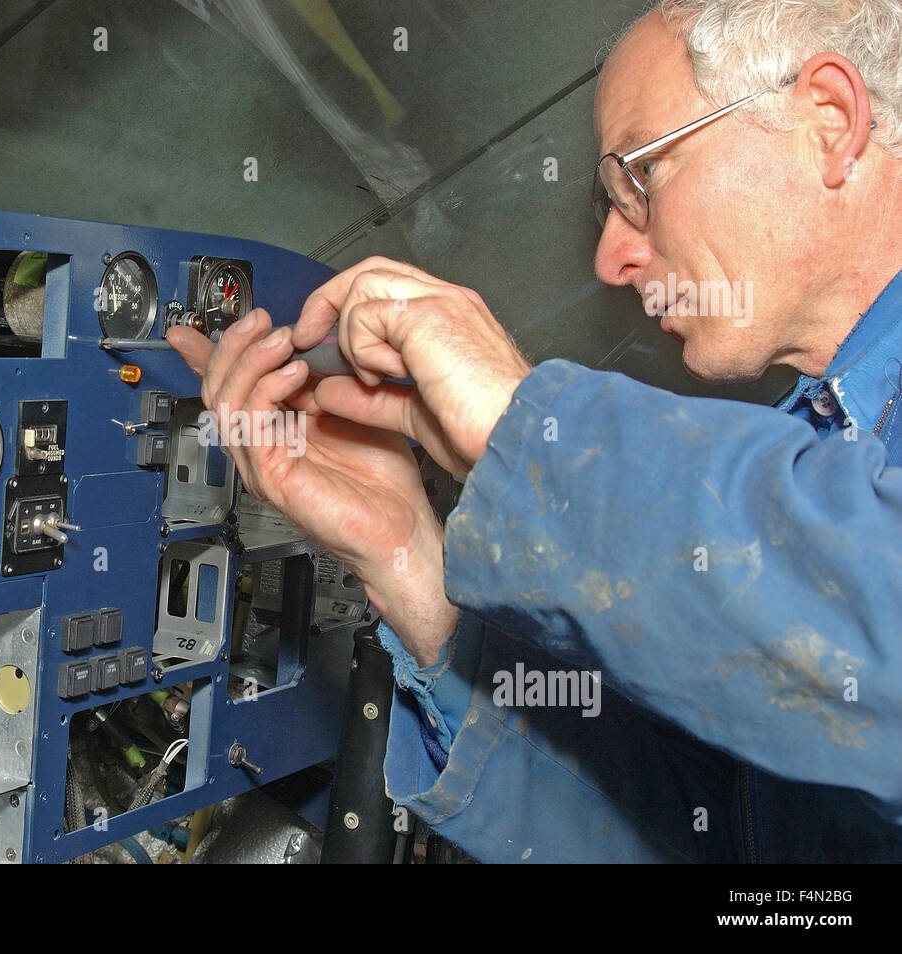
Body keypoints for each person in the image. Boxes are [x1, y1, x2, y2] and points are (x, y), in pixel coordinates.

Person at [168, 0, 902, 862]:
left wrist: (525, 421)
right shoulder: (826, 446)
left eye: (640, 180)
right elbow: (708, 838)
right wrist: (410, 558)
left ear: (829, 119)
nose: (611, 259)